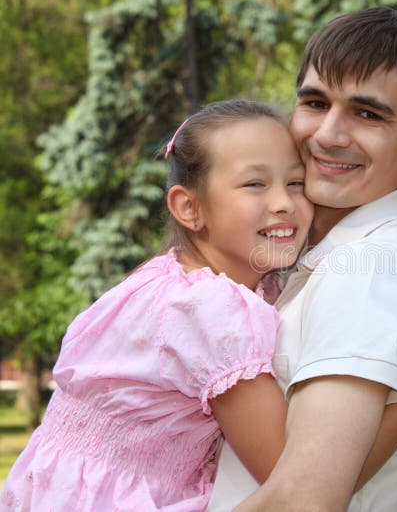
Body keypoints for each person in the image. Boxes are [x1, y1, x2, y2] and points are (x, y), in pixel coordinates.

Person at [0, 100, 310, 511]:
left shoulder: (170, 280)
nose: (284, 202)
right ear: (188, 208)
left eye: (297, 183)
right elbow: (297, 479)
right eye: (255, 184)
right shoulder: (209, 309)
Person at [208, 7, 397, 512]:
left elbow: (303, 500)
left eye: (368, 114)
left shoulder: (365, 274)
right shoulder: (319, 254)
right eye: (315, 102)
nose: (327, 134)